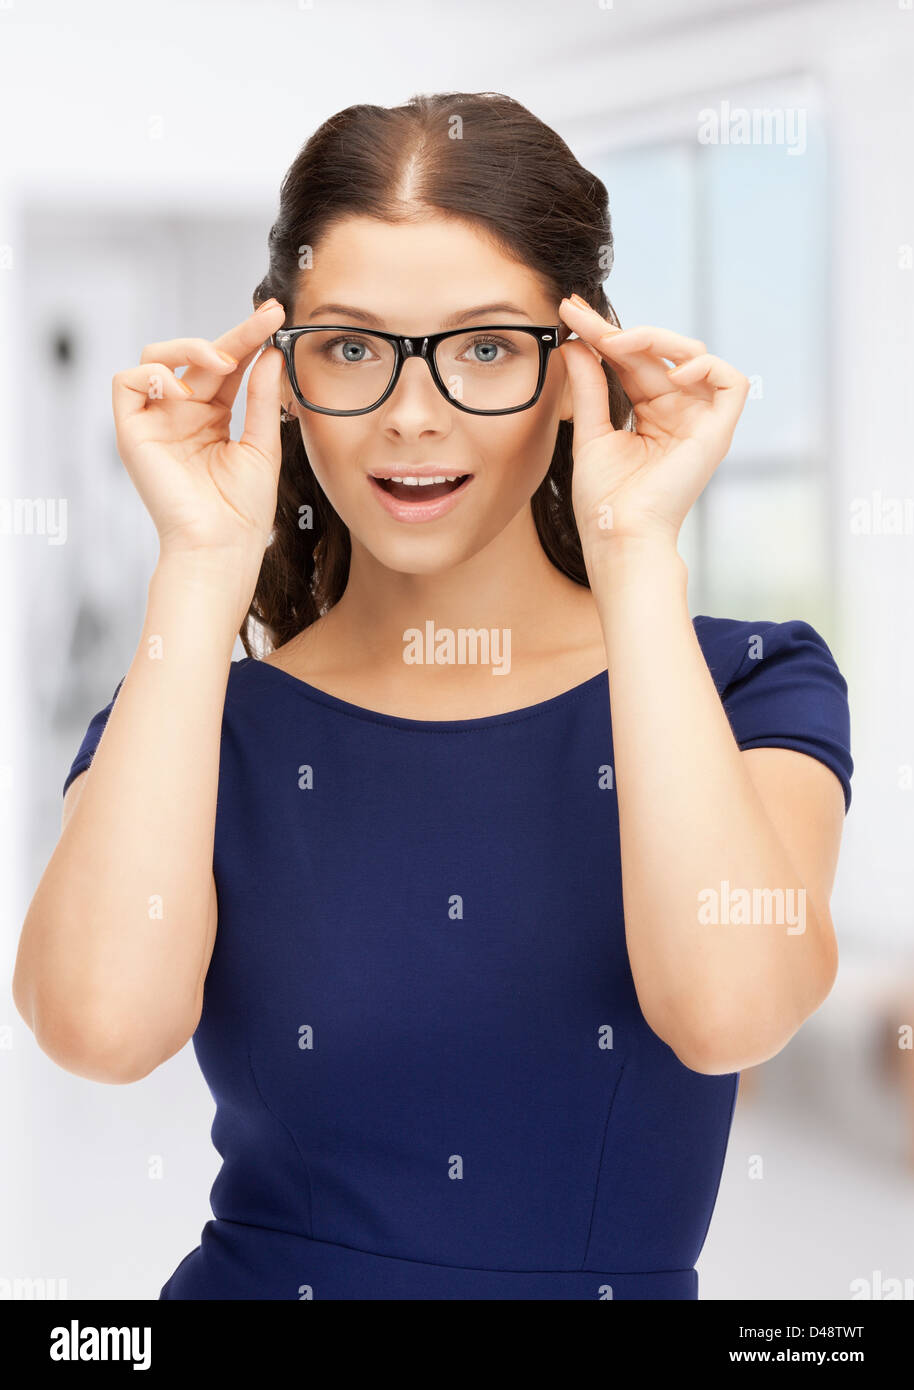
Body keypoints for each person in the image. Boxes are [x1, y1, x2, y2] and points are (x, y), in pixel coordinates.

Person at [13, 91, 853, 1300]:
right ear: (285, 376)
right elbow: (95, 1027)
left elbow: (726, 1009)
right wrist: (200, 567)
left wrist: (631, 557)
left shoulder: (744, 682)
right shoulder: (202, 717)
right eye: (352, 346)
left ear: (576, 370)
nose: (414, 415)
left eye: (483, 348)